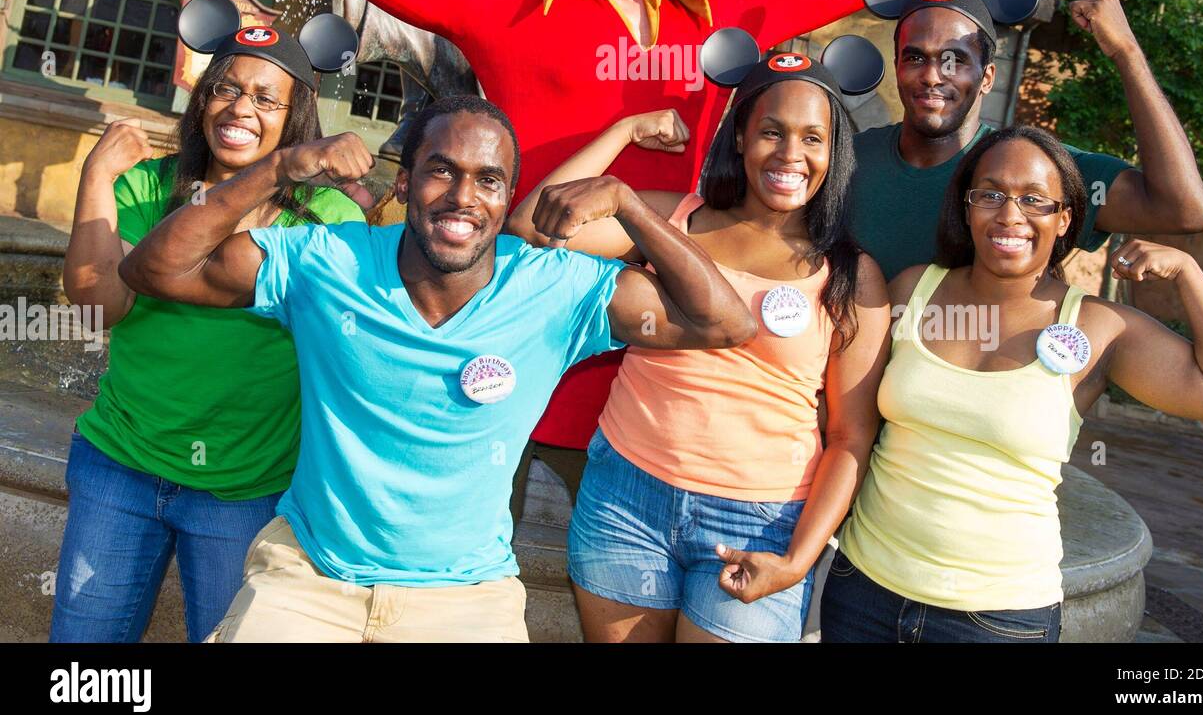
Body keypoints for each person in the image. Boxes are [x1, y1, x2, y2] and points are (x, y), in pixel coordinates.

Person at [313, 0, 881, 518]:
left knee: (628, 570)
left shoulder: (713, 1)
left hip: (659, 331)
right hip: (522, 308)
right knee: (446, 536)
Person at [118, 97, 756, 643]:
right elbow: (154, 270)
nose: (462, 198)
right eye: (440, 171)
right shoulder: (326, 260)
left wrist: (628, 206)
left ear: (509, 200)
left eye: (487, 180)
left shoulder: (551, 287)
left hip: (465, 600)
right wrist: (276, 168)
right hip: (310, 577)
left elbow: (725, 324)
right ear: (403, 183)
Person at [822, 125, 1203, 643]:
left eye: (1034, 200)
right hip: (863, 591)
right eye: (990, 194)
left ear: (1065, 218)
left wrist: (1190, 273)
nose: (1010, 215)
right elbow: (849, 426)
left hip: (999, 618)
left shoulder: (1098, 328)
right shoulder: (912, 288)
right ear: (967, 207)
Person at [508, 51, 892, 642]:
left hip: (758, 522)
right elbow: (533, 230)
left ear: (832, 154)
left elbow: (849, 437)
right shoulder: (673, 219)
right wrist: (623, 137)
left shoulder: (850, 274)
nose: (791, 154)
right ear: (739, 138)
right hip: (626, 497)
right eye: (771, 132)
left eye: (812, 138)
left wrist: (798, 559)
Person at [52, 23, 365, 643]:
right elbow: (96, 305)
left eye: (265, 98)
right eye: (225, 89)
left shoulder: (329, 219)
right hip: (121, 465)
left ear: (296, 116)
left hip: (244, 490)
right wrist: (95, 175)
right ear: (201, 101)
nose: (241, 107)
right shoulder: (146, 185)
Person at [849, 0, 1203, 282]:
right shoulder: (848, 158)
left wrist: (1127, 52)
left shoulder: (1033, 172)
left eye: (954, 60)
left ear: (987, 77)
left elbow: (1183, 211)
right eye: (915, 58)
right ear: (896, 65)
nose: (931, 75)